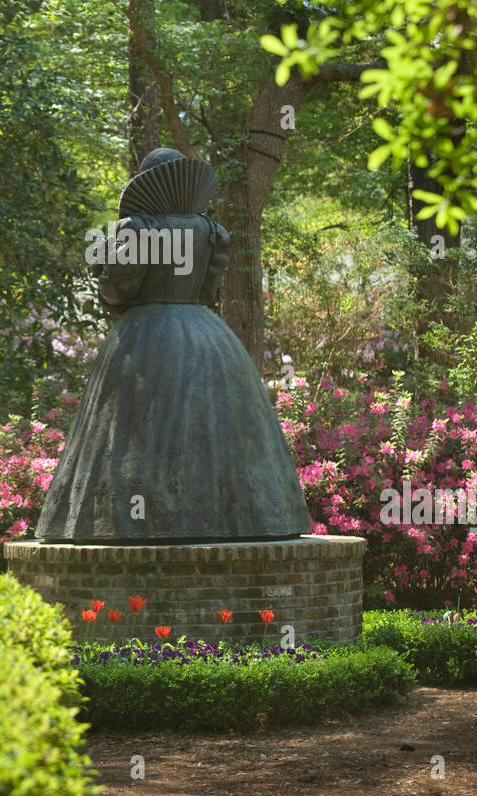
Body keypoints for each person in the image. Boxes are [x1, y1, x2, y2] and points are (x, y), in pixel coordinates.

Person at [35, 148, 312, 541]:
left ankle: (133, 521)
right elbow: (208, 288)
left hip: (145, 334)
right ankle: (234, 518)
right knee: (212, 425)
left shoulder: (138, 227)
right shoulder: (209, 229)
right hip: (205, 335)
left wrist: (105, 277)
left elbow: (119, 290)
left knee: (137, 425)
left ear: (147, 181)